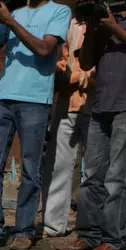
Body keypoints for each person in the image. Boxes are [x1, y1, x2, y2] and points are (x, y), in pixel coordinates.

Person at [0, 0, 71, 250]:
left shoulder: (60, 11)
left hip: (35, 99)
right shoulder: (13, 13)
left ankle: (24, 230)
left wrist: (11, 22)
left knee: (30, 169)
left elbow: (45, 49)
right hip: (3, 97)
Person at [56, 0, 126, 250]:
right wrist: (91, 29)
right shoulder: (103, 20)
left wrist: (114, 28)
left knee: (118, 177)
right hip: (101, 104)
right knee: (92, 174)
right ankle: (89, 235)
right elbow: (86, 63)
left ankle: (115, 240)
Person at [41, 18, 95, 238]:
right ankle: (53, 225)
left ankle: (91, 228)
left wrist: (75, 78)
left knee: (94, 171)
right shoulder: (72, 23)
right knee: (58, 166)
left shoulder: (112, 21)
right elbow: (63, 58)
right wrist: (60, 72)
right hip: (67, 104)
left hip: (96, 105)